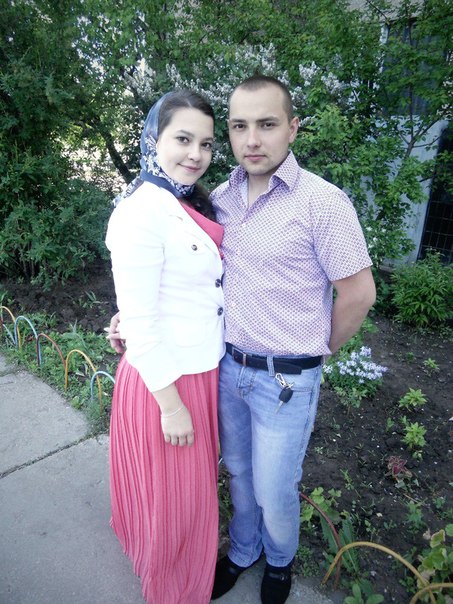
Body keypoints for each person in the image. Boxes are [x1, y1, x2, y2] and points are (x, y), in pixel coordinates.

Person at [108, 75, 376, 604]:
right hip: (227, 368)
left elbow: (359, 294)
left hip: (285, 381)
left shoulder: (323, 202)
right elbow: (187, 274)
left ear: (292, 128)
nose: (252, 140)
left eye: (267, 125)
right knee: (237, 475)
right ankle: (244, 550)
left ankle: (279, 561)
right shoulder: (219, 199)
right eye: (238, 127)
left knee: (275, 489)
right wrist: (131, 316)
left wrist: (316, 352)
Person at [105, 90, 225, 604]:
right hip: (168, 381)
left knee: (179, 494)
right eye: (183, 139)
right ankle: (174, 585)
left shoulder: (186, 200)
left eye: (206, 143)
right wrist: (172, 407)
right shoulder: (140, 211)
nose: (196, 154)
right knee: (174, 498)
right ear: (153, 139)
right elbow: (142, 320)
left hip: (199, 366)